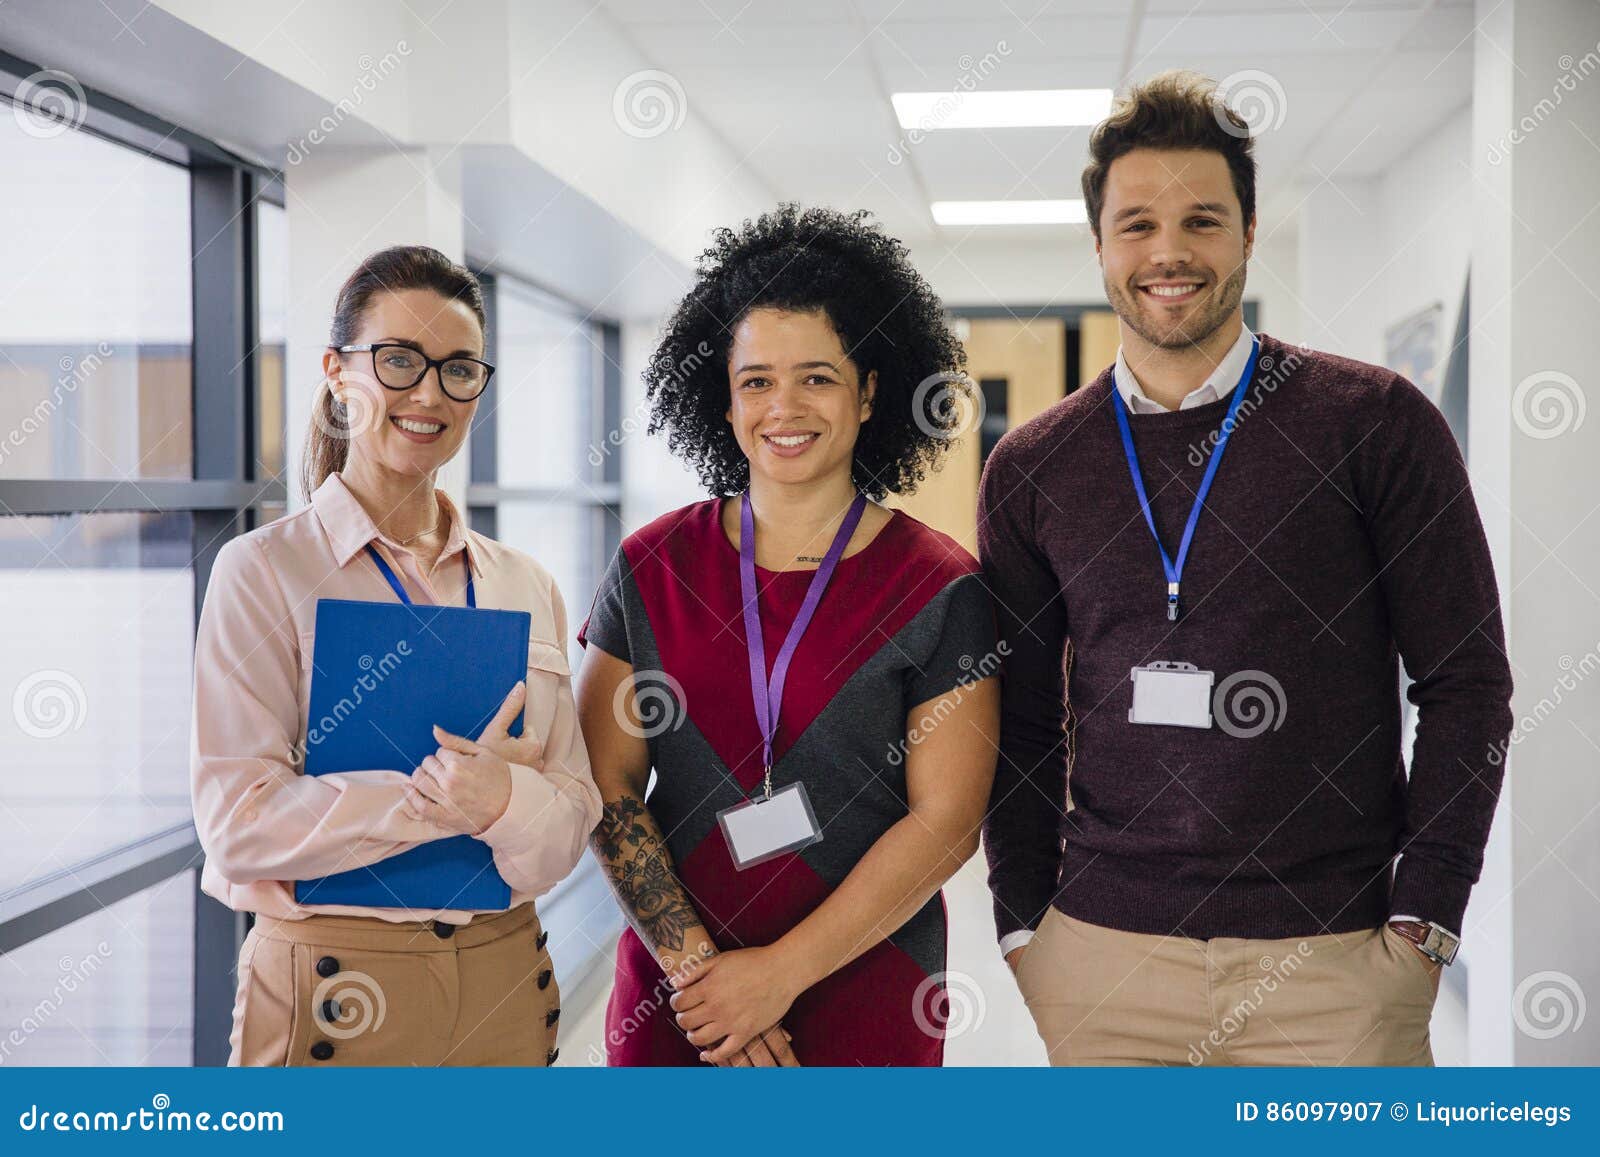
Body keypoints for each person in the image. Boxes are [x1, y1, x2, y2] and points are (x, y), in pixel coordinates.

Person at [979, 71, 1514, 1066]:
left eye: (1202, 220)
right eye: (1135, 223)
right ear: (1097, 242)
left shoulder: (1375, 422)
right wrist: (1024, 926)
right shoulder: (1032, 464)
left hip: (1333, 966)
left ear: (1249, 231)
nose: (1169, 252)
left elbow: (1466, 684)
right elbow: (1014, 717)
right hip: (1105, 962)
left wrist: (1425, 917)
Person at [575, 205, 999, 1066]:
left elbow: (947, 821)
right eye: (757, 380)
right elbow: (607, 784)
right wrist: (704, 977)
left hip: (870, 987)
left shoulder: (939, 583)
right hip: (677, 1001)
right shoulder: (651, 566)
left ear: (870, 390)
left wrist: (776, 975)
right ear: (723, 398)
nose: (785, 407)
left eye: (817, 377)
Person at [192, 245, 601, 1066]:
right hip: (334, 989)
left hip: (505, 976)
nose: (428, 393)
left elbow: (569, 825)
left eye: (459, 369)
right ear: (338, 373)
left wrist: (505, 802)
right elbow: (237, 826)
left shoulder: (524, 583)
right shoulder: (266, 570)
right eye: (399, 361)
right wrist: (445, 800)